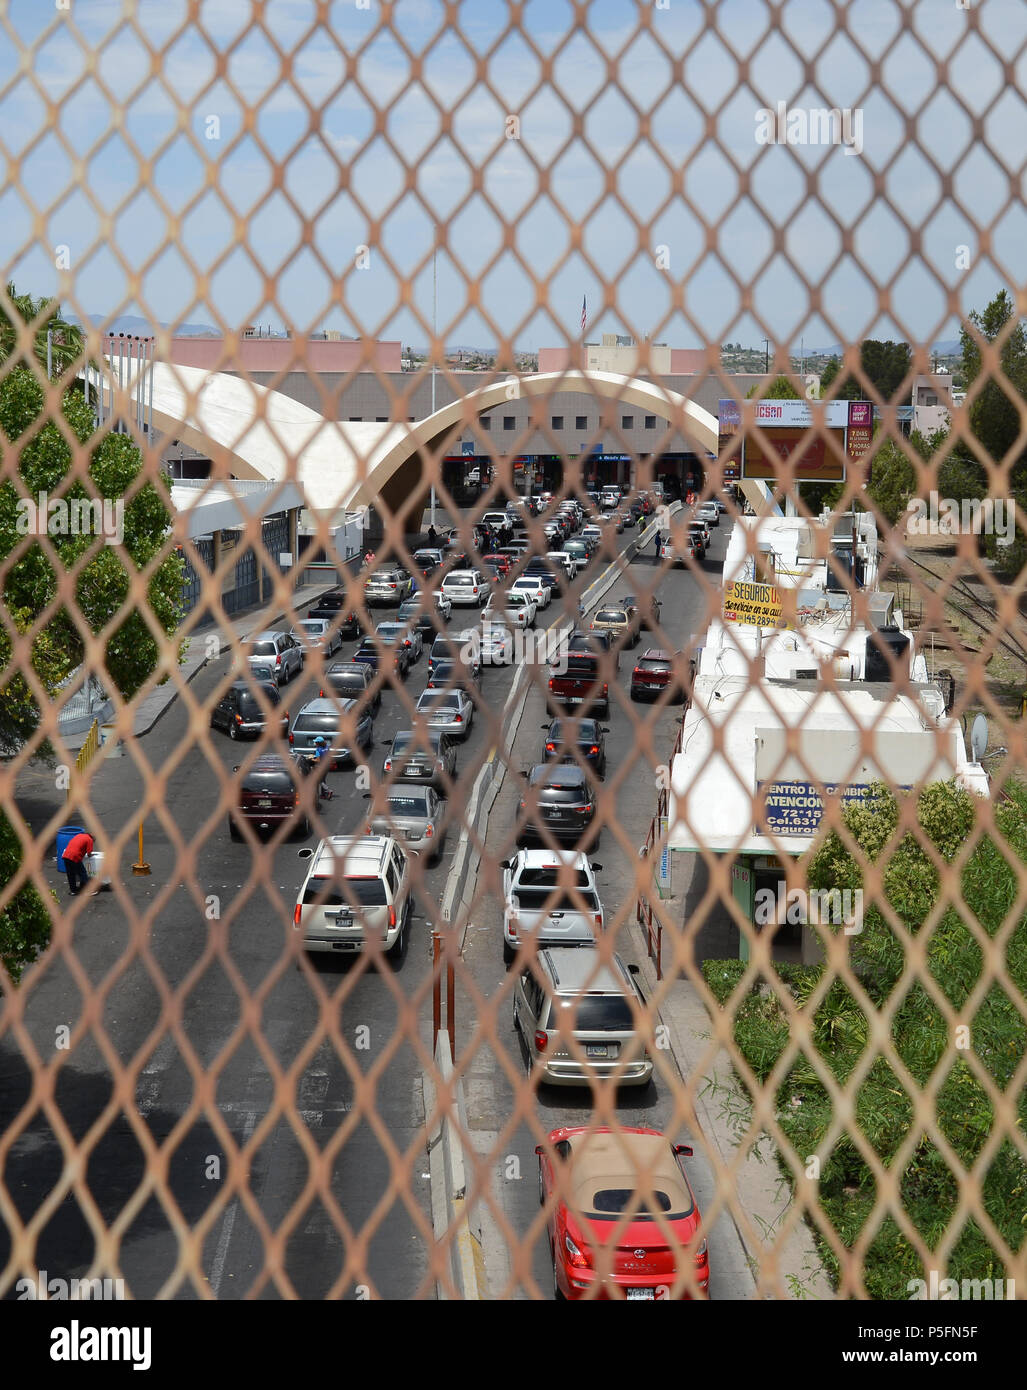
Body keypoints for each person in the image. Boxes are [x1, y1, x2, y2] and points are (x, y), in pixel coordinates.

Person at [63, 830, 95, 897]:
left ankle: (73, 891)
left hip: (66, 855)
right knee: (82, 873)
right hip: (75, 857)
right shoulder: (89, 839)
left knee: (71, 874)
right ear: (93, 838)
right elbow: (89, 853)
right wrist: (91, 855)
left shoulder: (79, 835)